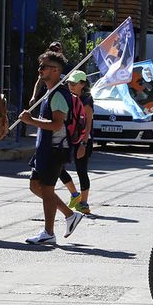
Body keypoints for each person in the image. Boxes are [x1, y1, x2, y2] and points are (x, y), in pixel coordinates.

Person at [19, 51, 84, 245]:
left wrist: (31, 121)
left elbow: (56, 124)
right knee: (35, 186)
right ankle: (70, 215)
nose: (39, 70)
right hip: (45, 149)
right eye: (40, 66)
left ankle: (49, 232)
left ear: (55, 71)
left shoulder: (58, 95)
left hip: (55, 150)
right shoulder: (50, 92)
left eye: (43, 67)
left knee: (46, 191)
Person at [58, 70, 94, 214]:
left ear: (82, 84)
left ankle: (84, 204)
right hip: (68, 138)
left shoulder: (86, 101)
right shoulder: (67, 97)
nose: (71, 86)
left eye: (74, 83)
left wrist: (83, 145)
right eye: (69, 83)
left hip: (83, 140)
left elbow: (88, 124)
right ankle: (74, 195)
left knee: (81, 170)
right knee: (58, 167)